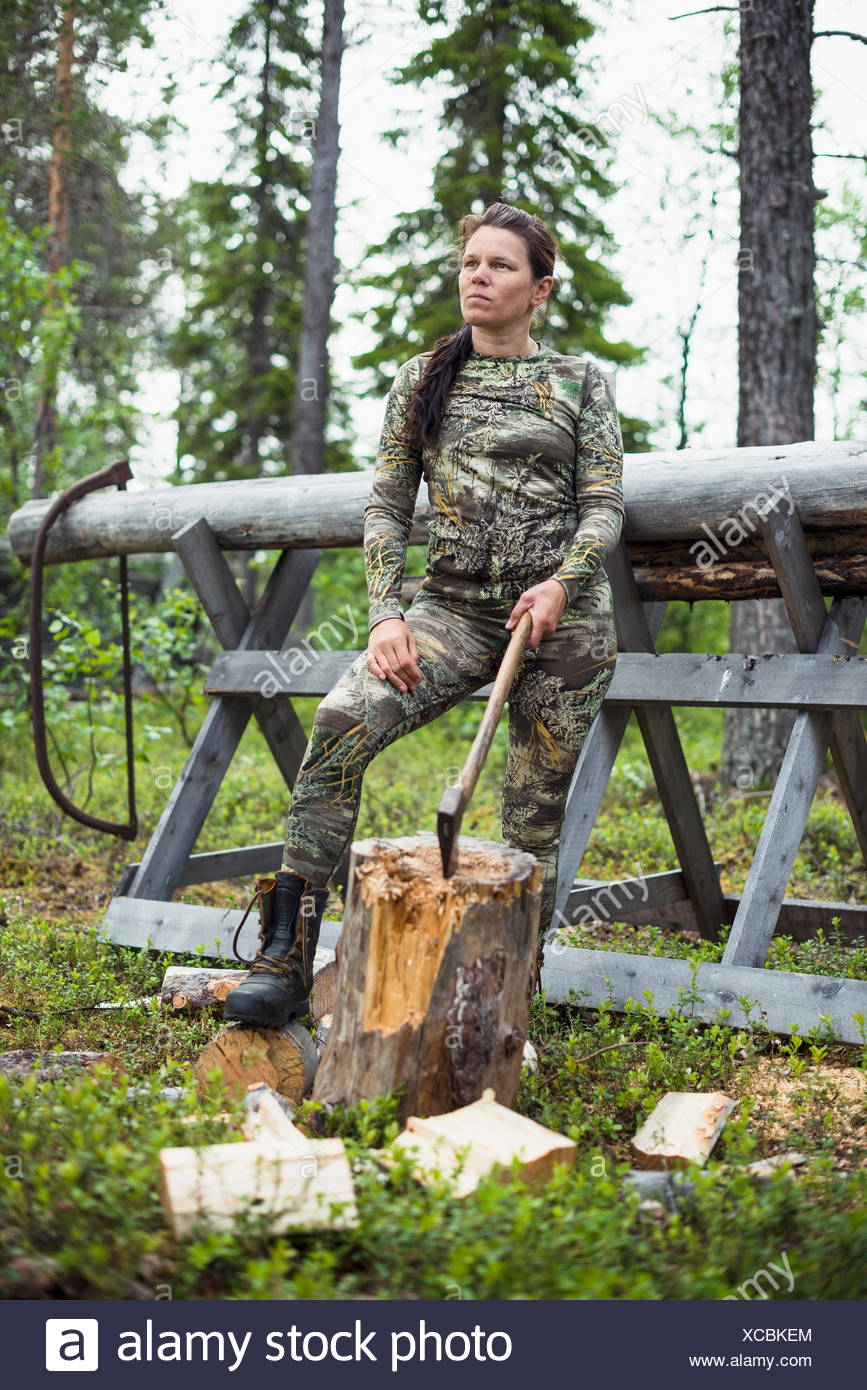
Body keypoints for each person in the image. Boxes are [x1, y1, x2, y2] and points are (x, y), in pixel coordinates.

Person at [224, 199, 625, 1031]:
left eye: (500, 265)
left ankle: (513, 990)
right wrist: (383, 615)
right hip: (449, 612)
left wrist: (560, 583)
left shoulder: (580, 382)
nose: (477, 275)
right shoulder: (423, 376)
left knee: (528, 818)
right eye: (470, 262)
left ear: (539, 289)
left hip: (562, 625)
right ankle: (286, 953)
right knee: (340, 722)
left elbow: (603, 506)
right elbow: (384, 506)